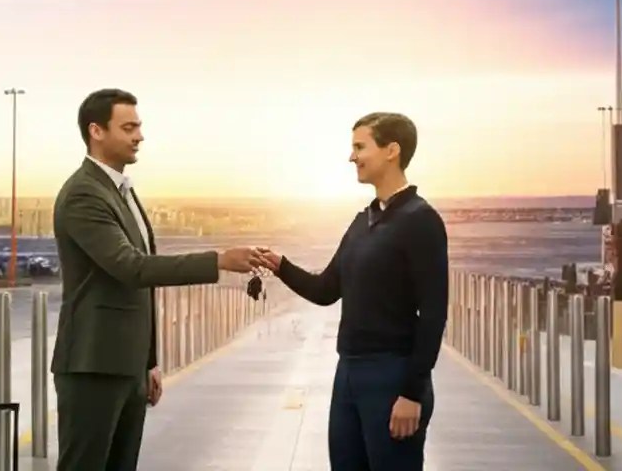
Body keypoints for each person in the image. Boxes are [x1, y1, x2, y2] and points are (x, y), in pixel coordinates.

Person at [52, 88, 263, 471]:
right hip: (93, 364)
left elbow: (139, 287)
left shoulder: (120, 190)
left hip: (126, 367)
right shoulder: (84, 193)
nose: (139, 136)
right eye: (128, 127)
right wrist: (218, 261)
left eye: (139, 126)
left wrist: (147, 362)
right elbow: (132, 268)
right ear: (96, 131)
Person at [258, 112, 449, 471]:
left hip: (392, 374)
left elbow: (434, 314)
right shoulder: (363, 221)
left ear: (392, 150)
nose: (352, 157)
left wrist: (412, 392)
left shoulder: (421, 220)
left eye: (360, 147)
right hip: (348, 372)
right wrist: (280, 265)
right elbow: (327, 289)